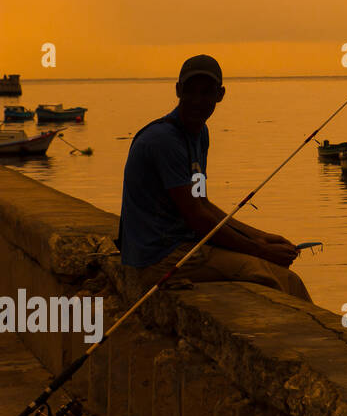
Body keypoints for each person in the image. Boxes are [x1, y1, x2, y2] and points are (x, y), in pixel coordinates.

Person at [118, 54, 312, 301]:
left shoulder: (200, 134)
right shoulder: (164, 140)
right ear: (178, 91)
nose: (198, 101)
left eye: (207, 92)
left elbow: (203, 202)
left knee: (275, 271)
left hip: (184, 245)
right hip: (160, 259)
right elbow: (197, 217)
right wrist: (261, 251)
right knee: (282, 279)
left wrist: (258, 236)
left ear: (220, 95)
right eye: (191, 91)